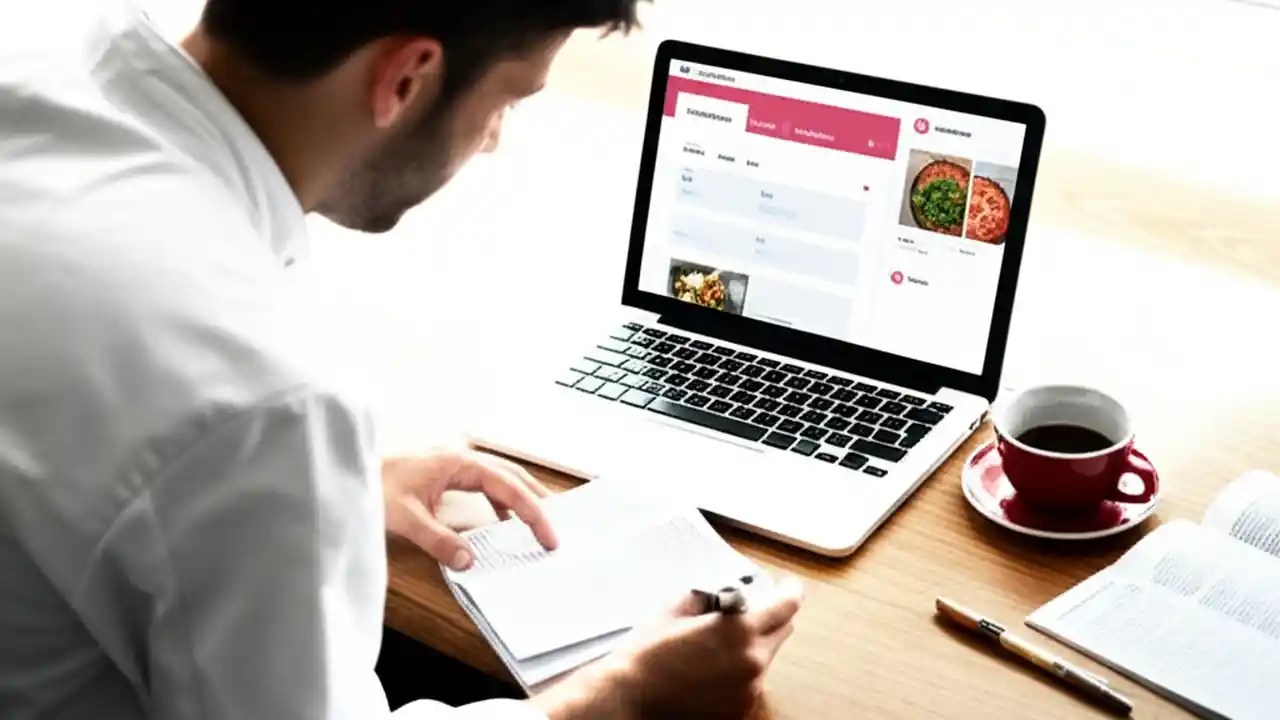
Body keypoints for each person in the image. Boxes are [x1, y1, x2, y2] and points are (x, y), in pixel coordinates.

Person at [0, 1, 805, 718]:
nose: (493, 141)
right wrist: (625, 695)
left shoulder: (39, 69)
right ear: (409, 77)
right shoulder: (267, 404)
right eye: (508, 99)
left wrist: (323, 494)